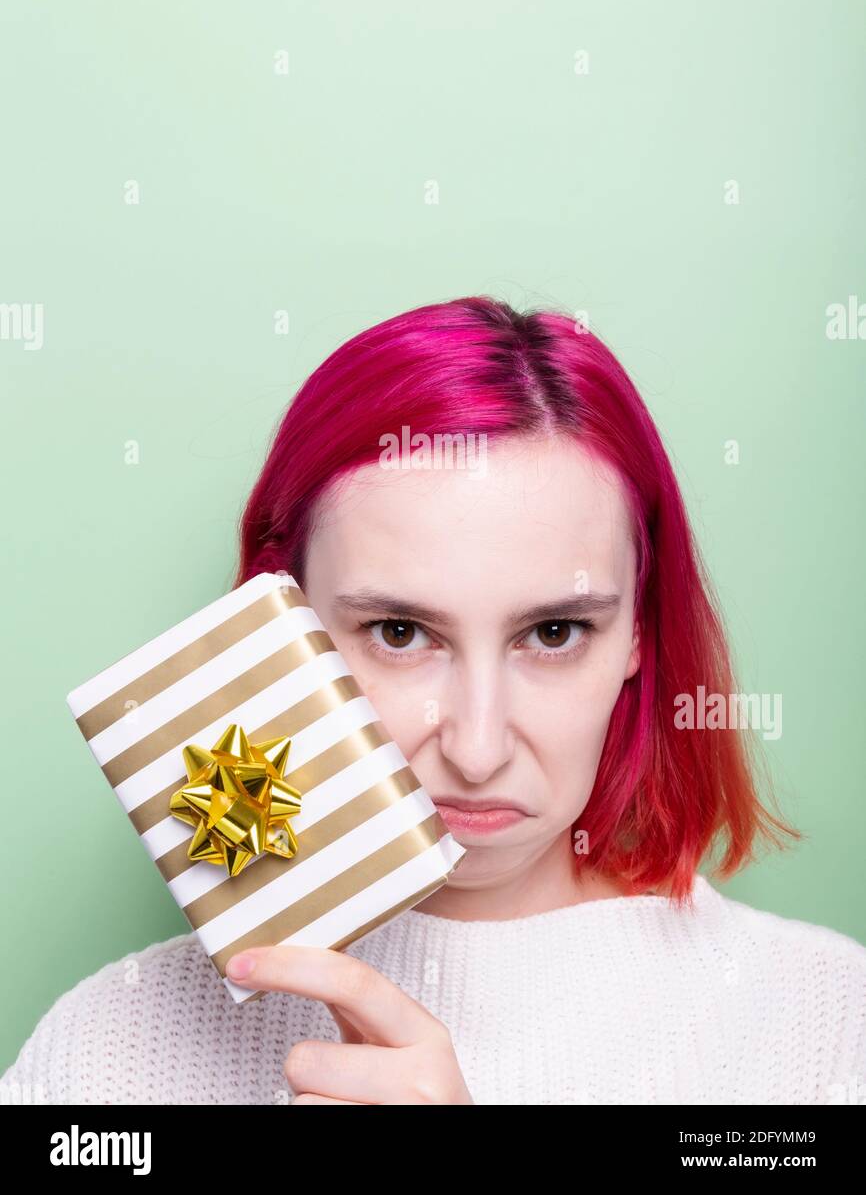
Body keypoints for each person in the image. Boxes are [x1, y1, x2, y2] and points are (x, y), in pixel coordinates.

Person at [3, 295, 865, 1105]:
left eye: (555, 633)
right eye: (402, 633)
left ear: (638, 631)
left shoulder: (823, 1030)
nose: (477, 749)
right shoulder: (105, 1050)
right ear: (278, 621)